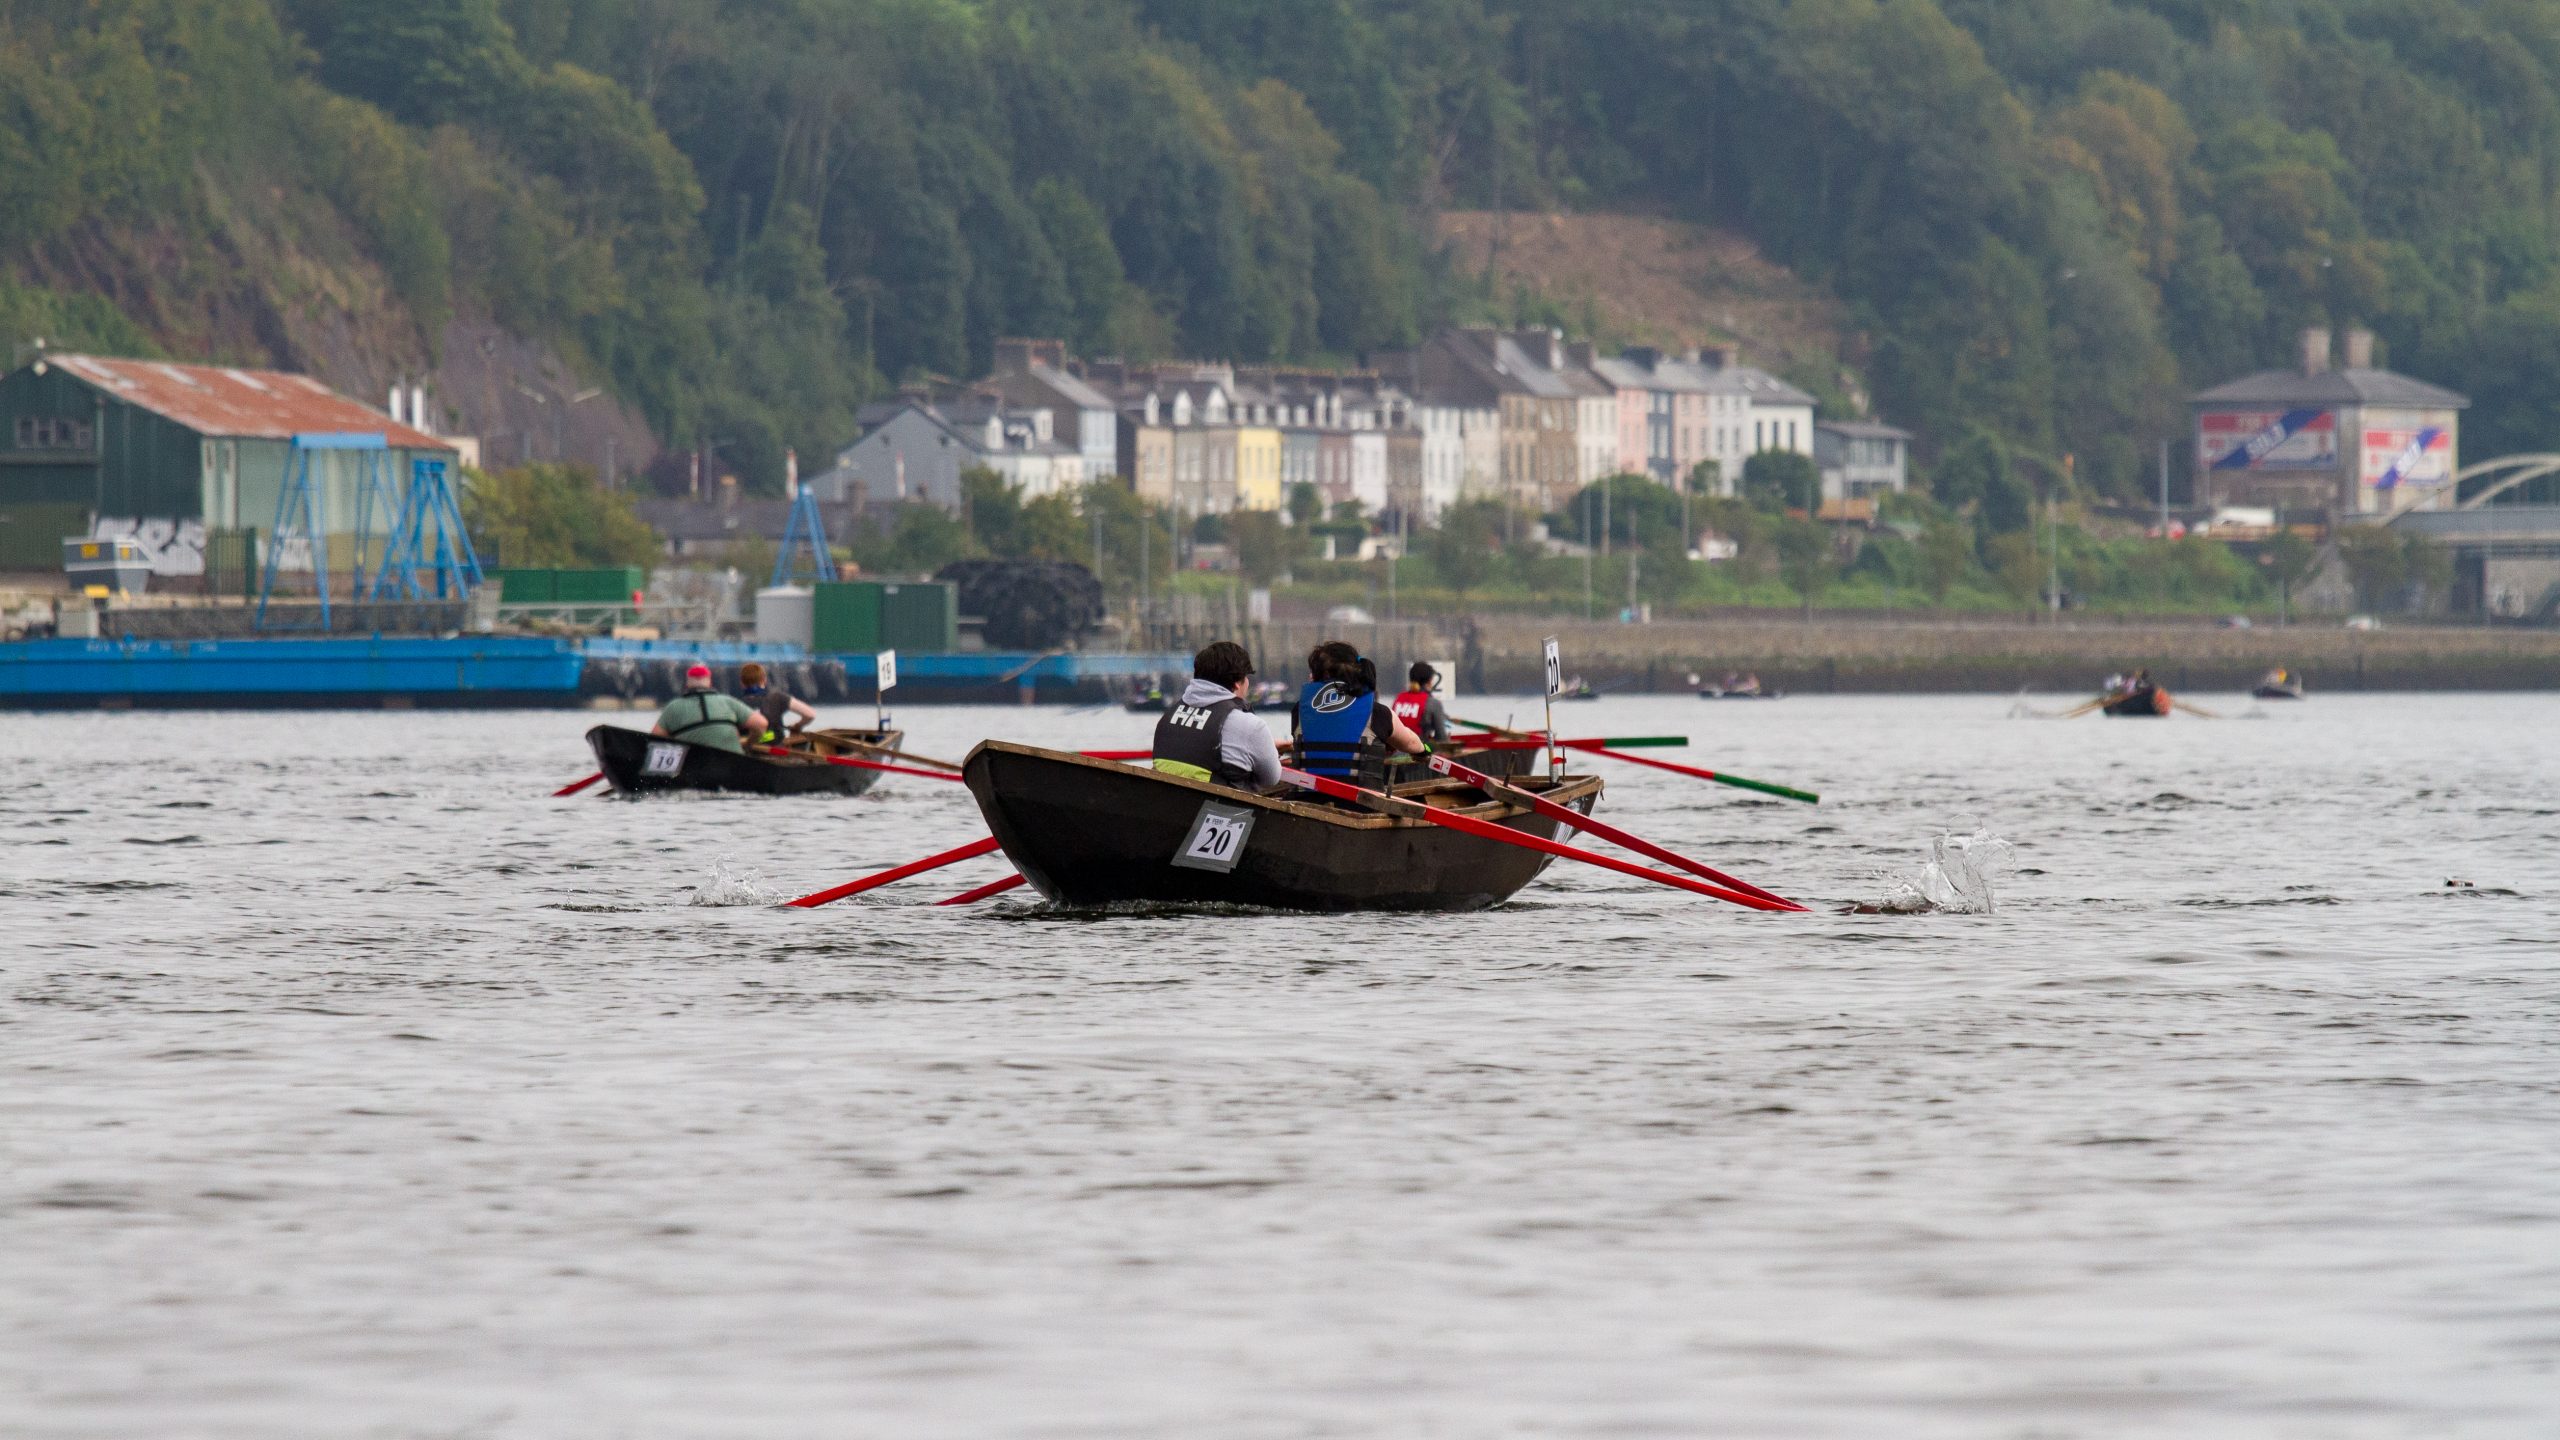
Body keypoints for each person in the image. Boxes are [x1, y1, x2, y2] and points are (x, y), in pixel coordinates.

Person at [1151, 640, 1283, 790]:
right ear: (1237, 683)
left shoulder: (1168, 715)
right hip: (1214, 809)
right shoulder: (1252, 726)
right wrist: (1269, 748)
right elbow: (1271, 779)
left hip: (1165, 802)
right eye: (1246, 678)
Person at [1293, 640, 1423, 782]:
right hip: (1360, 802)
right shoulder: (1378, 712)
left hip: (1305, 796)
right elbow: (1412, 744)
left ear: (1320, 675)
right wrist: (1425, 750)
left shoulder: (1299, 710)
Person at [652, 663, 762, 754]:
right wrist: (748, 743)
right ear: (710, 682)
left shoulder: (673, 707)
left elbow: (654, 740)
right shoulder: (727, 701)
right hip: (733, 762)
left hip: (694, 766)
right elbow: (761, 724)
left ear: (687, 683)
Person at [736, 661, 817, 744]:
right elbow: (810, 715)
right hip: (776, 748)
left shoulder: (736, 704)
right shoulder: (777, 698)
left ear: (742, 683)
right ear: (764, 680)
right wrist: (797, 725)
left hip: (748, 747)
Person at [1390, 661, 1450, 749]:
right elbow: (1441, 739)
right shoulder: (1433, 703)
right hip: (1418, 752)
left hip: (1395, 751)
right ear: (1429, 681)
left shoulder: (1398, 699)